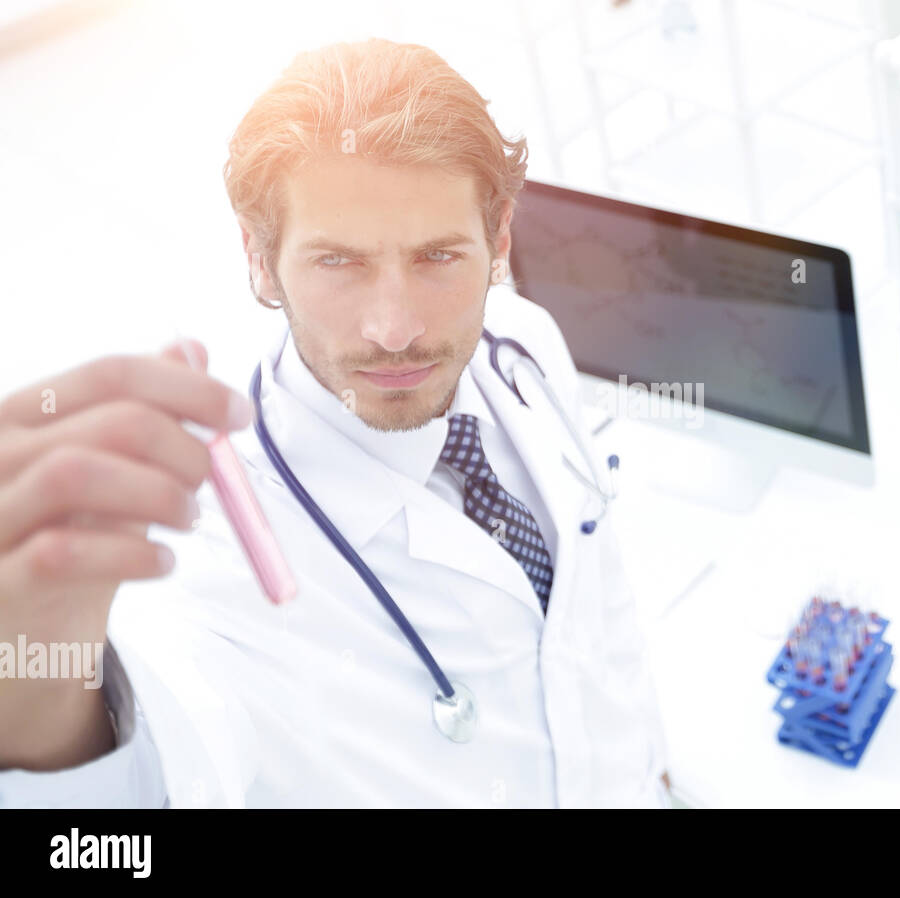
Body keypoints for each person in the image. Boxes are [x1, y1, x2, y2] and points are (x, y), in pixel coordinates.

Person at [0, 38, 672, 808]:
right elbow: (114, 819)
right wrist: (31, 679)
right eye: (338, 263)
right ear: (258, 259)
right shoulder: (218, 561)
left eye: (438, 256)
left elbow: (597, 604)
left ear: (501, 241)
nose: (395, 327)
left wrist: (644, 760)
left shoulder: (526, 345)